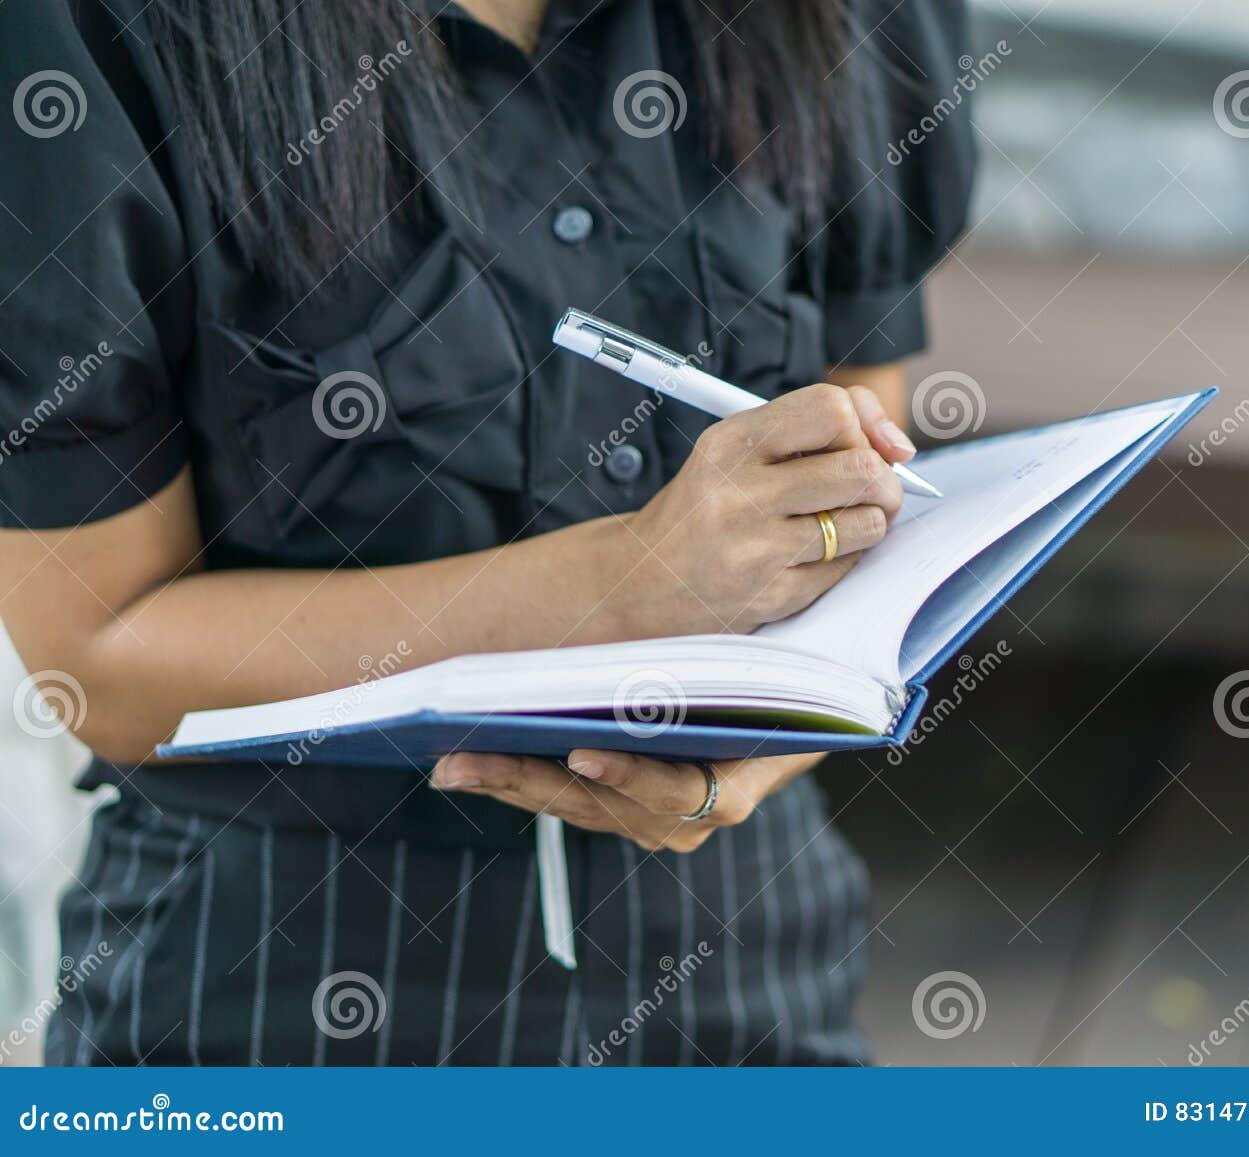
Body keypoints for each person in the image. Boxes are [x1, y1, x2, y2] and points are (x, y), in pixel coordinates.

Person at [0, 0, 973, 1065]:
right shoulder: (85, 33)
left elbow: (851, 492)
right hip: (278, 963)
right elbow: (96, 654)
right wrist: (627, 578)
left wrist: (756, 759)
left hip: (742, 934)